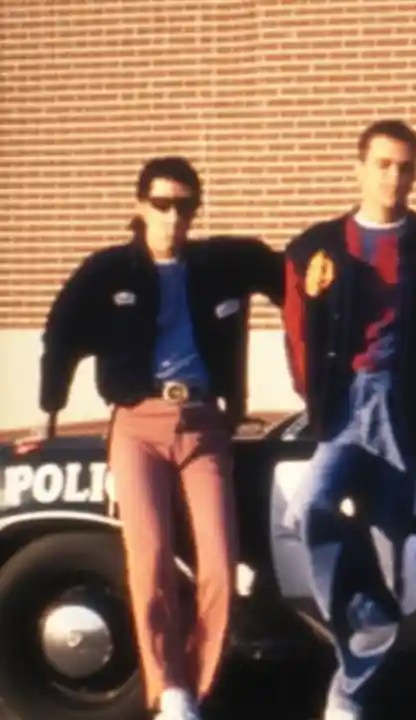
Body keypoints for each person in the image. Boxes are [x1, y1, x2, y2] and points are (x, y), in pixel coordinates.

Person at [19, 156, 284, 720]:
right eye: (161, 204)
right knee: (152, 559)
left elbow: (294, 275)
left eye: (185, 205)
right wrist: (49, 411)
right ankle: (171, 692)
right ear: (140, 207)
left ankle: (197, 685)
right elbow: (60, 331)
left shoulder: (220, 264)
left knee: (219, 563)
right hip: (137, 424)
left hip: (204, 427)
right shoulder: (110, 270)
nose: (173, 216)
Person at [281, 119, 416, 720]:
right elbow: (295, 332)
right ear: (359, 168)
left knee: (388, 555)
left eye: (406, 166)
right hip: (342, 405)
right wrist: (313, 397)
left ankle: (350, 693)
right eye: (383, 164)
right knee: (313, 507)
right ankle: (365, 624)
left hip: (400, 405)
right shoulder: (315, 245)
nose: (395, 176)